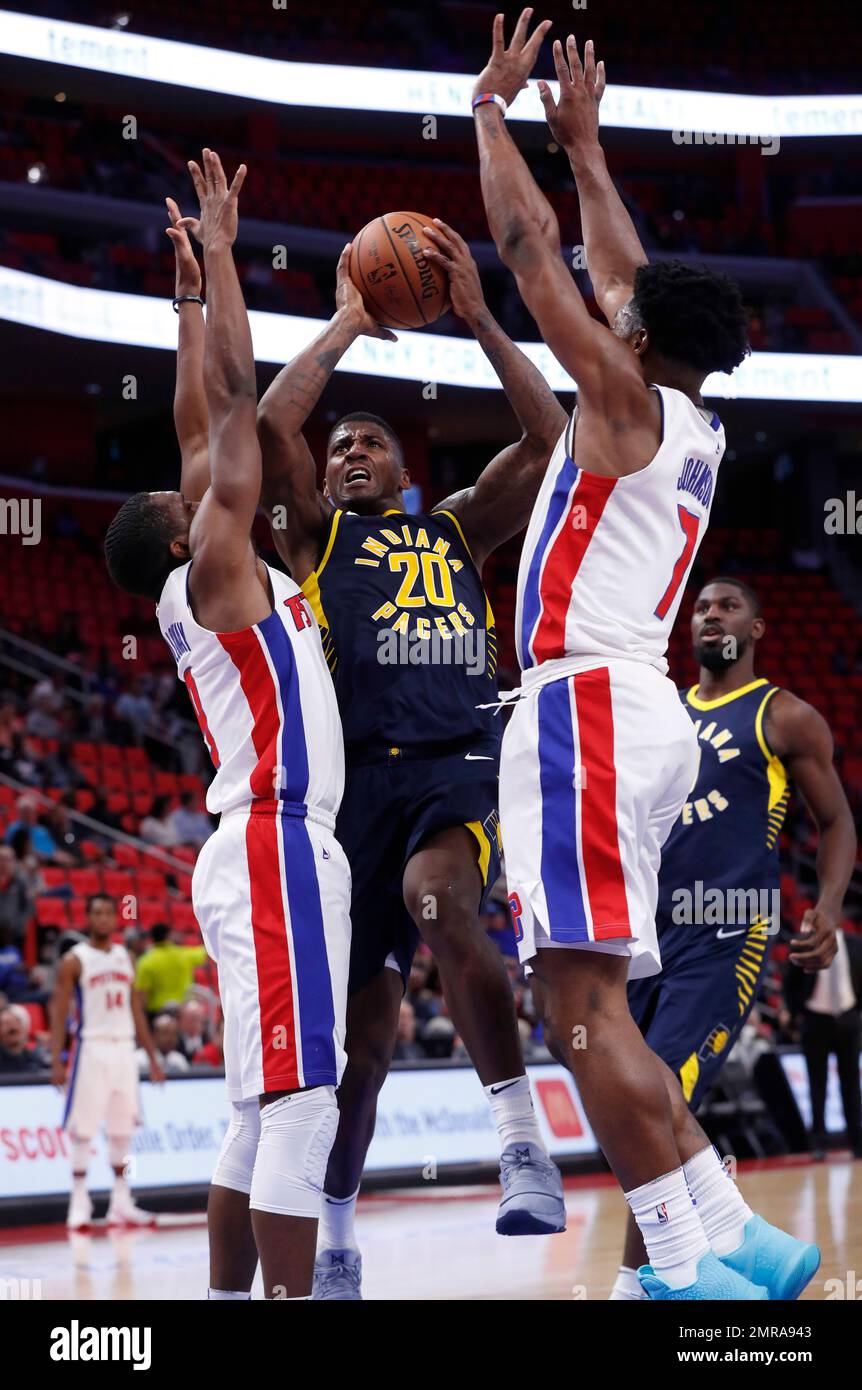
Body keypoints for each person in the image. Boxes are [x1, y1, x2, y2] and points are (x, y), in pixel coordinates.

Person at [473, 14, 812, 1300]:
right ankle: (743, 1237)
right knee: (601, 1007)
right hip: (639, 714)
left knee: (578, 1011)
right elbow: (620, 268)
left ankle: (678, 1271)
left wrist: (492, 118)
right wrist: (587, 147)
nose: (605, 302)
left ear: (632, 337)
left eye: (618, 310)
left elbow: (525, 252)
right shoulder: (685, 412)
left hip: (583, 713)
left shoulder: (615, 399)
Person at [256, 218, 569, 1298]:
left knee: (444, 901)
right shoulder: (312, 538)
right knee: (363, 1053)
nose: (347, 454)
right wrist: (348, 316)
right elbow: (266, 427)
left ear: (402, 467)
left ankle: (520, 1136)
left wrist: (481, 315)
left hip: (452, 764)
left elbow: (547, 438)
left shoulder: (455, 525)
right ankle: (338, 1223)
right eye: (339, 448)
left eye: (368, 446)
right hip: (353, 795)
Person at [105, 149, 351, 1301]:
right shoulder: (214, 568)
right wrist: (230, 260)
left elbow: (201, 424)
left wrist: (189, 295)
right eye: (180, 500)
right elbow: (236, 408)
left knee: (265, 1107)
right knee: (304, 1098)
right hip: (274, 840)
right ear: (178, 537)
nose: (192, 484)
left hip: (267, 844)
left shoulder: (206, 563)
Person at [615, 577, 857, 1297]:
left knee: (655, 1090)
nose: (711, 614)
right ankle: (738, 1245)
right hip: (648, 930)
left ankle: (645, 1280)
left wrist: (829, 905)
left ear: (756, 628)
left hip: (728, 926)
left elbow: (838, 822)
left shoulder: (784, 716)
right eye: (701, 607)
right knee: (633, 1096)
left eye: (728, 606)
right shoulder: (664, 711)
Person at [50, 893, 164, 1229]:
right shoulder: (75, 960)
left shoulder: (124, 957)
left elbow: (136, 1012)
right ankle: (79, 1201)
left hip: (124, 1050)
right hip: (91, 1049)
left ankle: (121, 1201)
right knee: (83, 1130)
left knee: (123, 1131)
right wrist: (57, 1058)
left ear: (115, 919)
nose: (102, 918)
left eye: (107, 913)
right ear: (87, 918)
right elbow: (58, 1013)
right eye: (95, 912)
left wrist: (153, 1057)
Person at [785, 928, 862, 1160]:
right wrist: (798, 1013)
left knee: (851, 1083)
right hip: (816, 1018)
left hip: (848, 1018)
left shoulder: (855, 943)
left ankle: (857, 1141)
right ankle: (819, 1143)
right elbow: (790, 984)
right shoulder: (804, 943)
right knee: (817, 1084)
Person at [134, 923, 208, 1015]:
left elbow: (142, 995)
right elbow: (207, 952)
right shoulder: (183, 954)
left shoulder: (145, 961)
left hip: (157, 1012)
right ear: (169, 935)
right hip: (182, 1011)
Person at [0, 843, 34, 945]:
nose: (4, 863)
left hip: (14, 936)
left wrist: (19, 925)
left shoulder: (21, 882)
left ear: (14, 861)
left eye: (8, 859)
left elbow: (29, 907)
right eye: (1, 859)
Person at [0, 1002, 48, 1073]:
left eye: (16, 1021)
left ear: (26, 1027)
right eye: (4, 1023)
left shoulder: (38, 1059)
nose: (11, 1026)